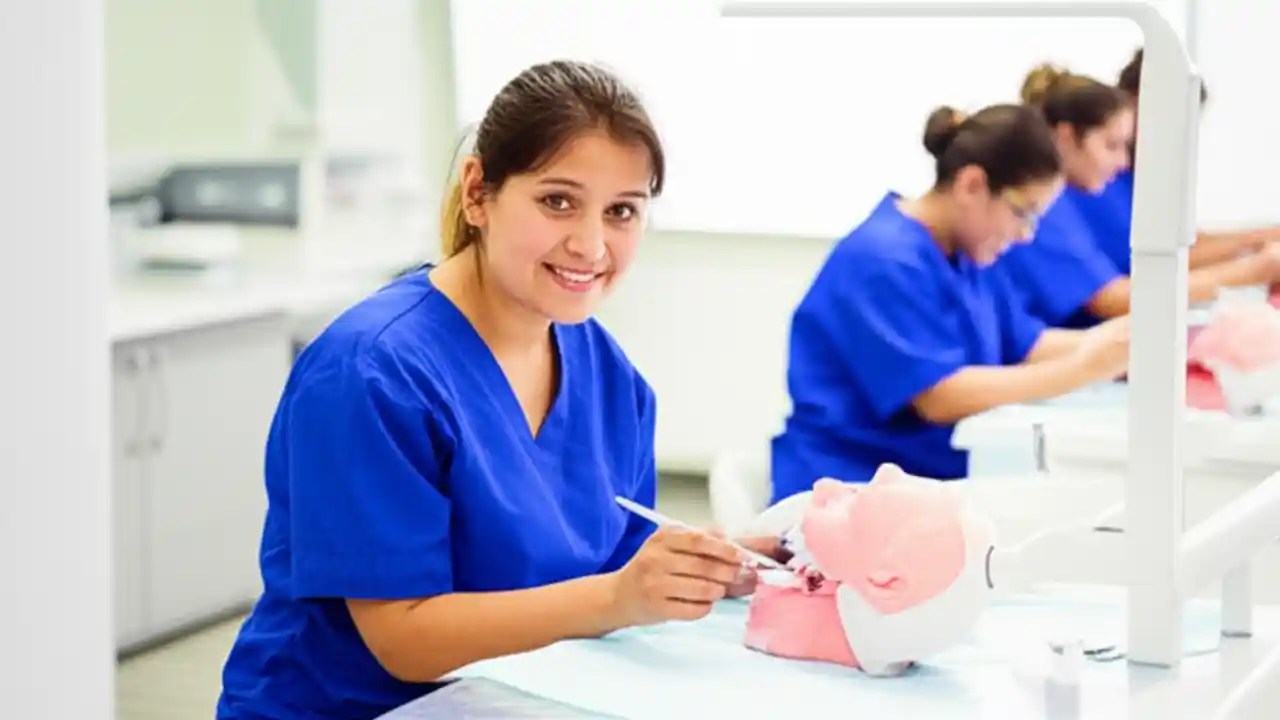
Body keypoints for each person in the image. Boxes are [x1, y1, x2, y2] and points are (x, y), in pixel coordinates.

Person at [216, 60, 781, 720]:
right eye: (557, 201)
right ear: (479, 192)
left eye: (622, 211)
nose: (591, 245)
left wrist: (706, 565)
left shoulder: (608, 375)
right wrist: (620, 597)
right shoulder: (372, 372)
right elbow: (404, 639)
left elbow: (617, 570)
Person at [768, 103, 1131, 505]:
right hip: (845, 492)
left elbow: (1026, 343)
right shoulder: (883, 261)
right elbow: (940, 395)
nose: (1026, 235)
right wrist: (1084, 367)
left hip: (919, 489)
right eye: (1023, 213)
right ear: (972, 185)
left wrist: (1117, 343)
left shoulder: (971, 253)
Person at [998, 65, 1280, 329]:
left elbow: (1174, 246)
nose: (1122, 160)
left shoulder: (1082, 193)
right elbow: (1111, 296)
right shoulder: (1049, 209)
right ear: (1066, 137)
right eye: (1112, 145)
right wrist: (1252, 270)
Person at [1075, 48, 1280, 275]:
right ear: (1133, 101)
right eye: (1171, 118)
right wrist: (1254, 264)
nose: (1177, 134)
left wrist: (1263, 238)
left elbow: (1179, 242)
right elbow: (1145, 263)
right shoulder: (1096, 179)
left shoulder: (1138, 173)